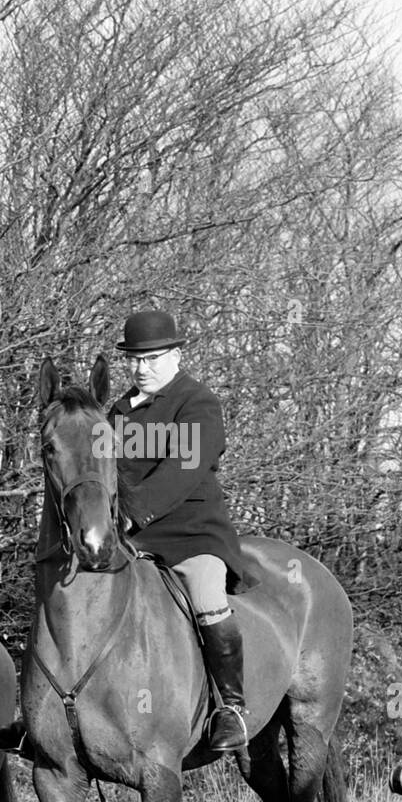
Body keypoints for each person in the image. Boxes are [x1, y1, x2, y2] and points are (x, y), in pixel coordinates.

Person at [109, 309, 250, 754]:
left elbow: (183, 469)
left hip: (191, 531)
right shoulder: (117, 411)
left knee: (208, 595)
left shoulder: (197, 401)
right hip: (128, 535)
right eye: (134, 359)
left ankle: (232, 708)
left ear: (175, 355)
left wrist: (133, 513)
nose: (141, 368)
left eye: (151, 358)